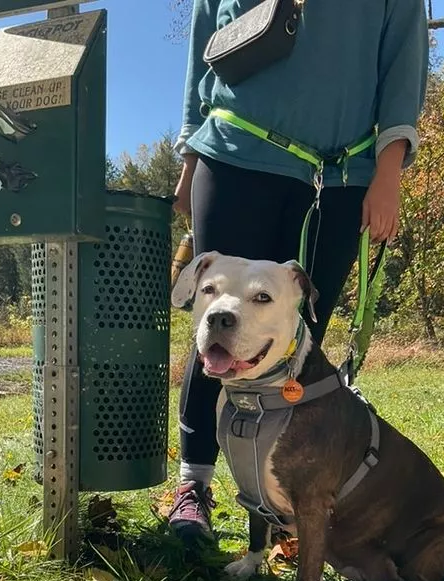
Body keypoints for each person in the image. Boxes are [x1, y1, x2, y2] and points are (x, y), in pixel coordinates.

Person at [168, 0, 429, 541]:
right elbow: (203, 50)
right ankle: (194, 484)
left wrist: (388, 173)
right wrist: (191, 159)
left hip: (339, 175)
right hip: (233, 156)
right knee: (218, 326)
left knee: (297, 341)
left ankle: (277, 498)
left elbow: (403, 63)